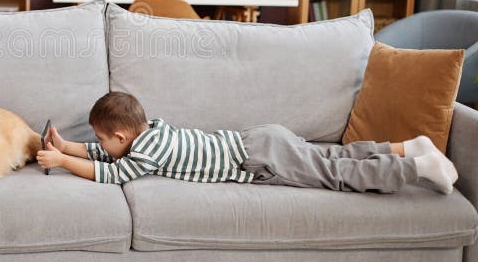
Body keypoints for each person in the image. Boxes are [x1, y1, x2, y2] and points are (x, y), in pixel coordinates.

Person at [36, 91, 458, 194]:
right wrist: (65, 146)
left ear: (122, 136)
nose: (96, 144)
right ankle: (407, 147)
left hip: (259, 158)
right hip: (257, 139)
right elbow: (106, 154)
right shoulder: (152, 131)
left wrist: (63, 162)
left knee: (335, 175)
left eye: (101, 138)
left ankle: (417, 168)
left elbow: (111, 174)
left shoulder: (145, 151)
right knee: (330, 155)